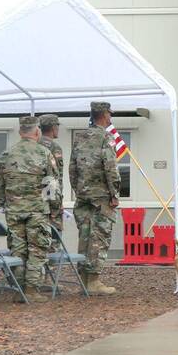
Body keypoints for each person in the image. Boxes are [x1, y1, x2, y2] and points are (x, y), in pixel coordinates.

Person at [0, 116, 59, 301]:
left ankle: (18, 290)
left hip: (14, 210)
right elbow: (51, 184)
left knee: (18, 249)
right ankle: (31, 290)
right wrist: (53, 207)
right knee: (37, 249)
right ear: (37, 131)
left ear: (20, 132)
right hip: (37, 210)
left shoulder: (6, 154)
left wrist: (3, 203)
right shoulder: (44, 152)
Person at [69, 101, 120, 296]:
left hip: (83, 195)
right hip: (101, 197)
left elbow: (72, 168)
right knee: (99, 237)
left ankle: (83, 279)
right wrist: (114, 194)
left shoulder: (80, 137)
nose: (110, 118)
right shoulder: (105, 137)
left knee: (84, 236)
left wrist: (78, 189)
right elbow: (110, 167)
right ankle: (94, 281)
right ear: (104, 115)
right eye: (109, 114)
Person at [38, 114, 65, 247]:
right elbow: (55, 177)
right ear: (53, 127)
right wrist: (57, 202)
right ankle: (52, 267)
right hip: (50, 199)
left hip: (36, 201)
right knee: (53, 239)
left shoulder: (35, 144)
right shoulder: (54, 147)